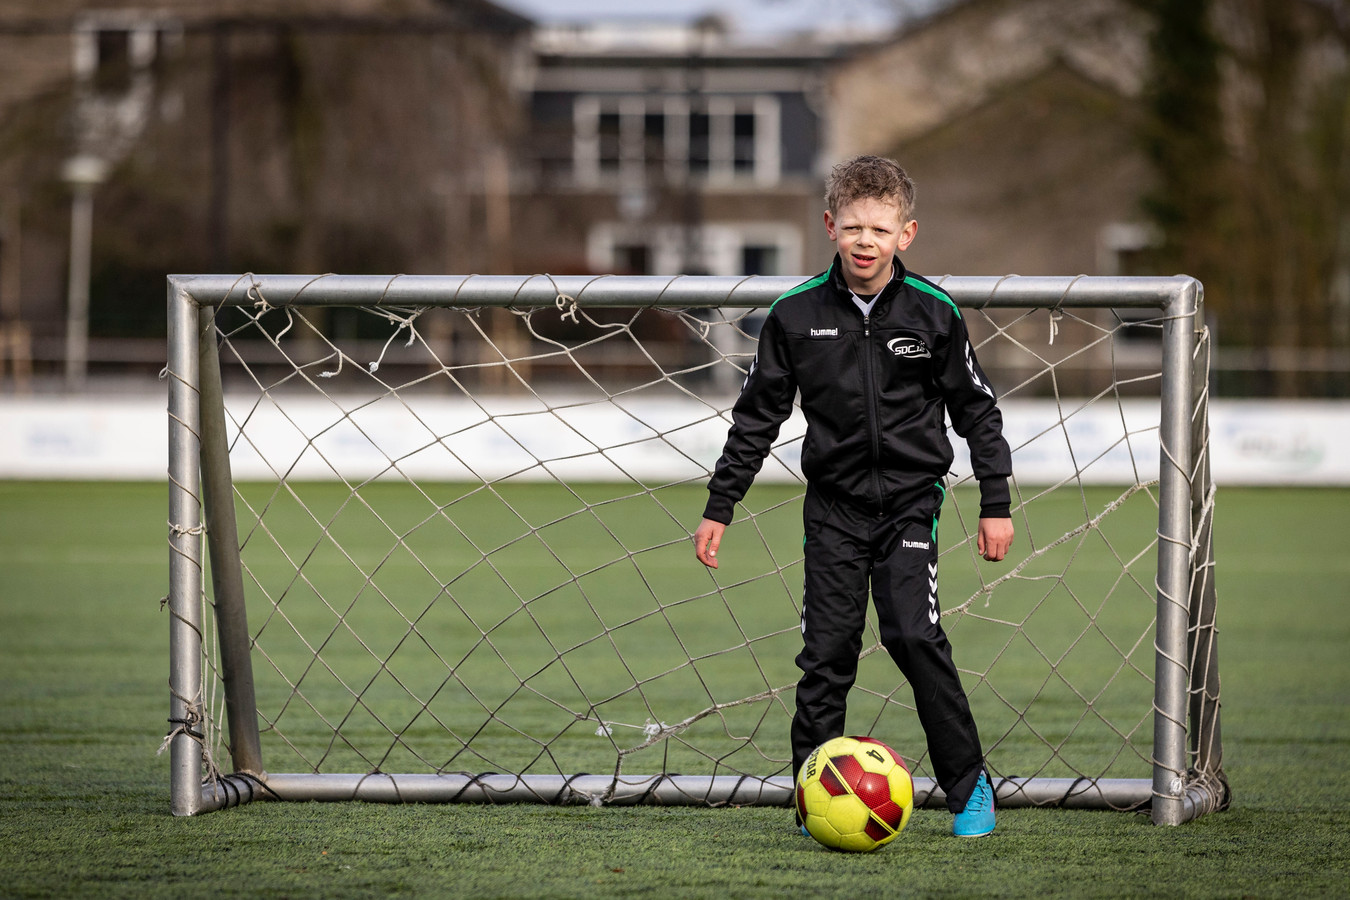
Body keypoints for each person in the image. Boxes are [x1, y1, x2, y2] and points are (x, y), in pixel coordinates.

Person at [692, 155, 1013, 838]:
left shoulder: (935, 313)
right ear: (831, 225)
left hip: (909, 503)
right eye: (854, 227)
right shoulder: (795, 315)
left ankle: (968, 787)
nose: (866, 240)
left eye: (881, 228)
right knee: (827, 653)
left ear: (908, 234)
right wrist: (722, 506)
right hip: (832, 509)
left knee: (913, 635)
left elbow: (978, 412)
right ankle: (818, 799)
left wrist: (996, 502)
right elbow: (757, 417)